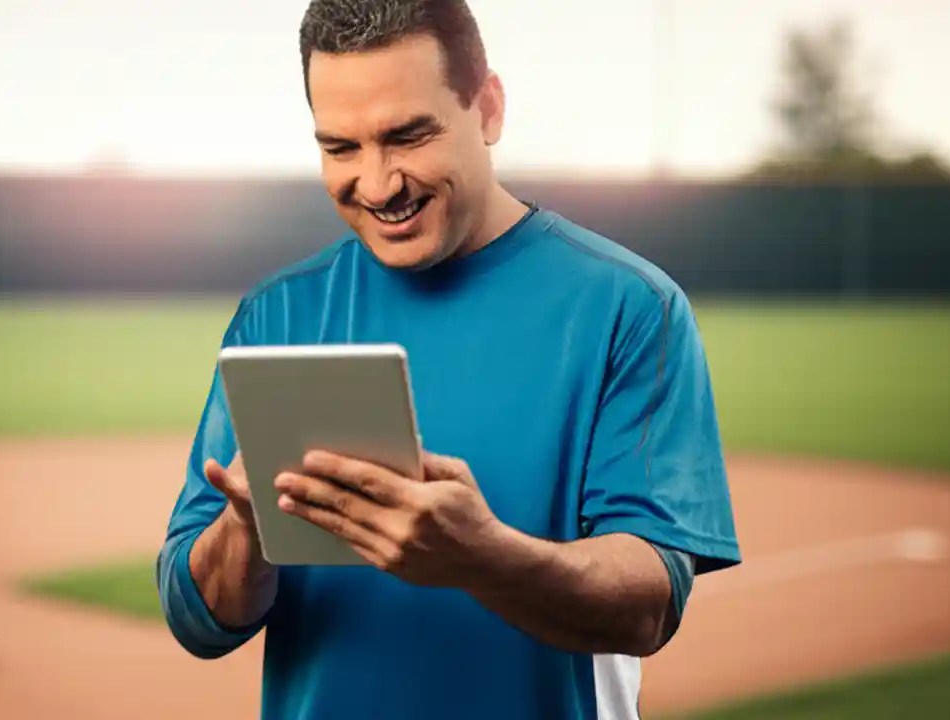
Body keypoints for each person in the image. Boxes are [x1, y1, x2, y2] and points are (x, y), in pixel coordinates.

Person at [156, 1, 741, 717]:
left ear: (487, 108)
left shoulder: (627, 307)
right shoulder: (278, 315)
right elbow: (196, 619)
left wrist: (480, 555)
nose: (377, 184)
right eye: (341, 148)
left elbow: (649, 606)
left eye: (407, 136)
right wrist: (244, 530)